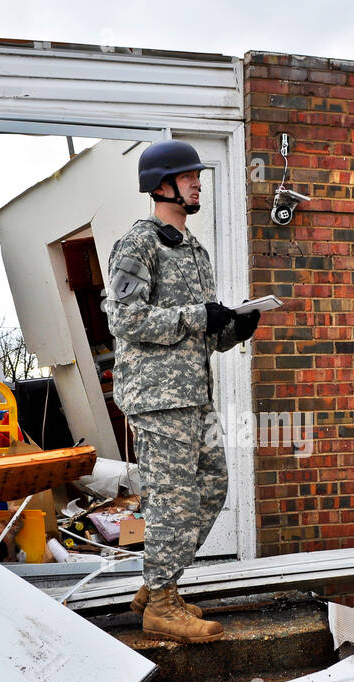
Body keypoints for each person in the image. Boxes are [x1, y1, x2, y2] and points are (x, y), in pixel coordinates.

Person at [104, 139, 260, 644]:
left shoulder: (195, 250)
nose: (198, 183)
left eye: (197, 175)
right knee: (173, 499)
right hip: (157, 399)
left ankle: (156, 586)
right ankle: (163, 604)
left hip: (195, 394)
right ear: (163, 185)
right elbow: (125, 320)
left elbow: (205, 335)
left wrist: (236, 326)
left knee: (212, 488)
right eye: (189, 176)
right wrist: (198, 315)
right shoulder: (138, 244)